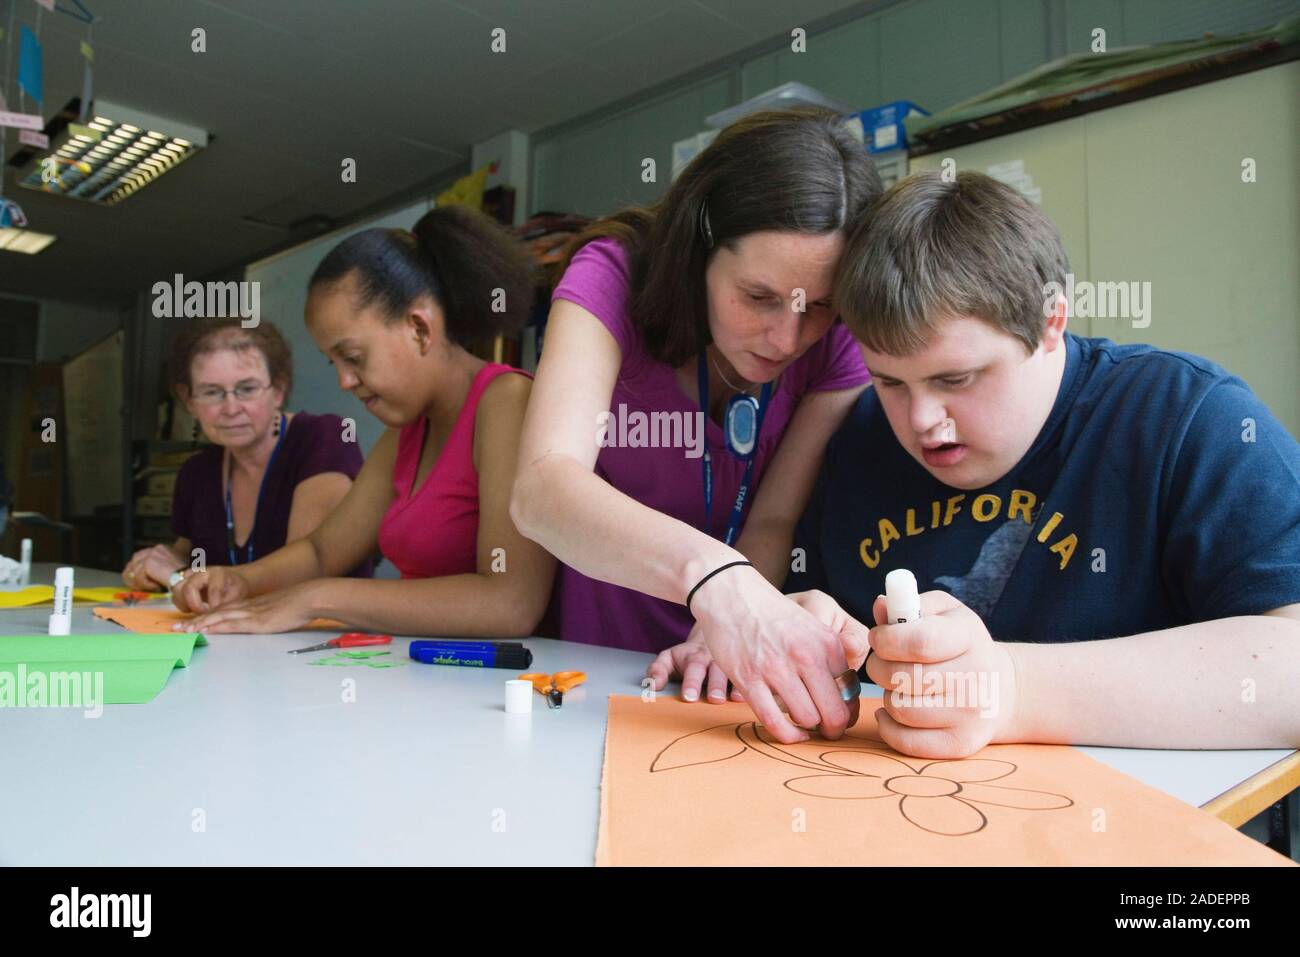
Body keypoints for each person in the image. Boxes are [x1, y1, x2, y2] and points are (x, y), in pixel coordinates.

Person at [786, 170, 1300, 755]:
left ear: (1051, 321)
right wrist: (806, 634)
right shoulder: (859, 438)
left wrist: (1010, 690)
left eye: (955, 378)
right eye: (890, 382)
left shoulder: (1186, 417)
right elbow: (816, 608)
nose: (921, 418)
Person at [511, 108, 881, 742]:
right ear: (697, 251)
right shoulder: (613, 276)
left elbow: (771, 518)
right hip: (595, 672)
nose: (786, 338)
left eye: (818, 307)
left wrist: (719, 629)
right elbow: (542, 487)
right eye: (758, 297)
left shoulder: (839, 343)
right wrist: (718, 583)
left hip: (726, 676)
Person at [172, 206, 555, 638]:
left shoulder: (507, 403)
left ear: (419, 328)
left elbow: (510, 603)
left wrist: (315, 599)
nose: (344, 381)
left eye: (353, 358)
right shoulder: (407, 432)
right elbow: (322, 550)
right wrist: (240, 580)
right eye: (333, 362)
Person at [123, 319, 367, 591]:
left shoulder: (325, 437)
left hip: (323, 633)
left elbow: (305, 576)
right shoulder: (197, 472)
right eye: (211, 392)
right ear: (189, 401)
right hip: (227, 632)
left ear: (278, 390)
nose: (231, 408)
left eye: (247, 389)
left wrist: (179, 576)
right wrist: (153, 567)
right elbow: (189, 557)